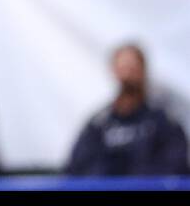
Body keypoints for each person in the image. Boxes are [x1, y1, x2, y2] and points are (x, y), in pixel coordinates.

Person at [66, 43, 189, 176]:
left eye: (132, 67)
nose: (128, 74)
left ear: (143, 70)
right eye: (123, 67)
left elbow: (175, 168)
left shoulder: (164, 122)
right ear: (114, 71)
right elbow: (77, 168)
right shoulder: (98, 124)